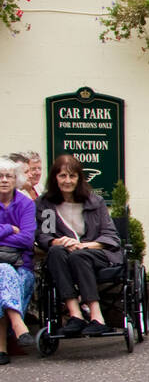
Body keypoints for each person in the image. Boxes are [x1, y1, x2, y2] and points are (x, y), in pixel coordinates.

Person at [35, 155, 122, 337]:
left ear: (79, 178)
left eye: (72, 176)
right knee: (55, 251)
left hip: (98, 252)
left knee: (78, 255)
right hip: (65, 254)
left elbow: (110, 236)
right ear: (54, 178)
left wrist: (85, 245)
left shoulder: (94, 202)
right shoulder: (47, 205)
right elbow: (46, 234)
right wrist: (57, 241)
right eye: (62, 176)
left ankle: (97, 318)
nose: (68, 181)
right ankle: (76, 315)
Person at [0, 157, 38, 362]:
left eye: (9, 176)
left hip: (22, 266)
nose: (4, 180)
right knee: (4, 271)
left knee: (5, 273)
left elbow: (27, 239)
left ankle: (2, 347)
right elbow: (20, 236)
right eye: (0, 176)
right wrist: (8, 229)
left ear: (16, 180)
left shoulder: (25, 204)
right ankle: (17, 325)